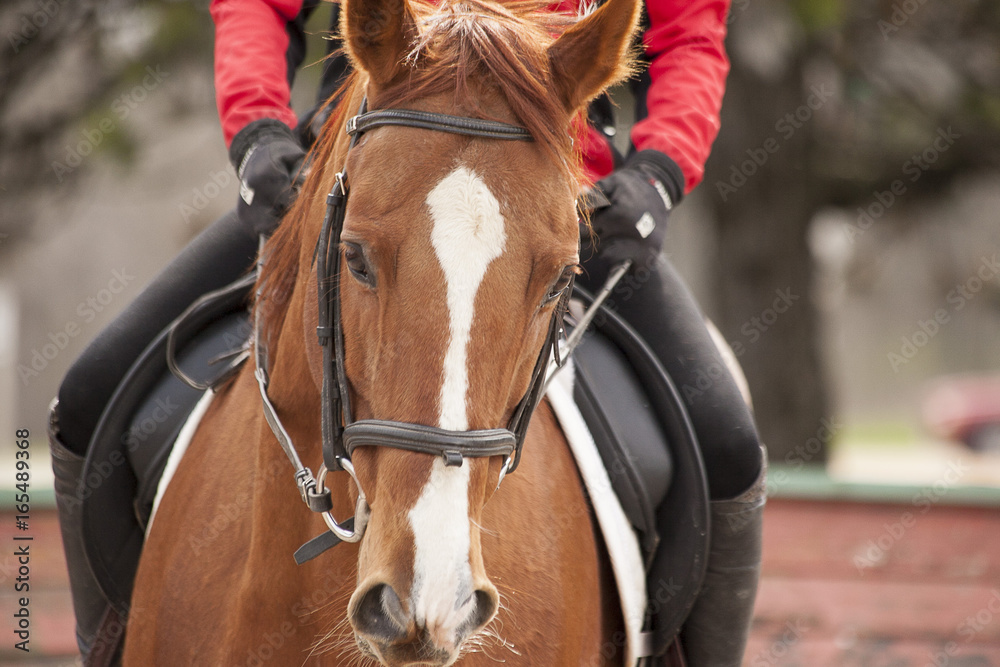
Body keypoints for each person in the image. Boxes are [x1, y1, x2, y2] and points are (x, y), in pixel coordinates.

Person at [54, 0, 765, 664]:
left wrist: (659, 172)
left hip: (557, 198)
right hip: (368, 173)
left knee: (726, 447)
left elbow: (690, 34)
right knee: (89, 400)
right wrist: (259, 131)